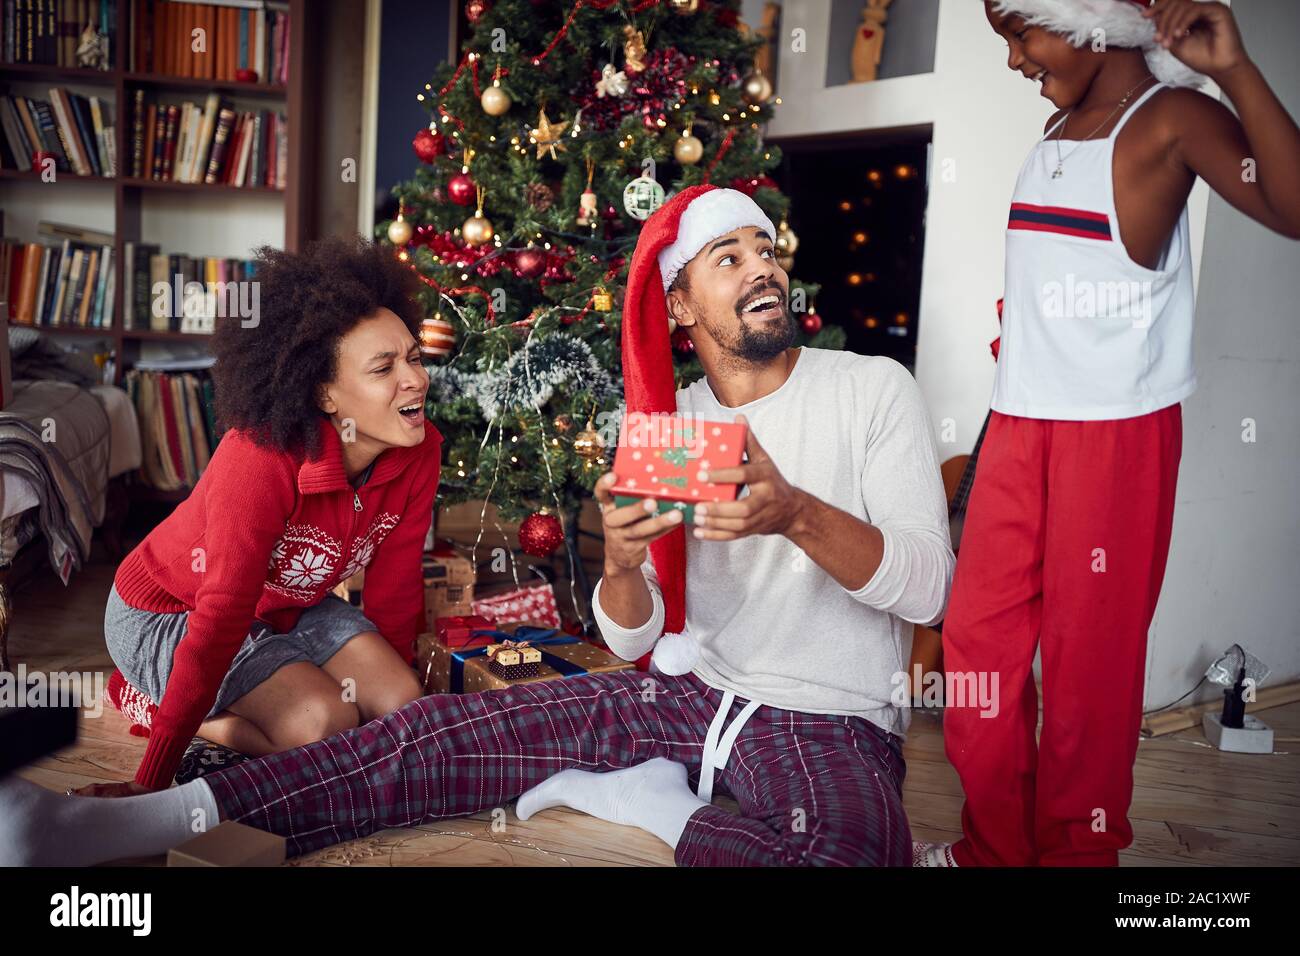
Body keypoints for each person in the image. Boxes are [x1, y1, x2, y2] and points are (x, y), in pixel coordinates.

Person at [0, 186, 953, 867]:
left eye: (765, 247)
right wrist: (623, 566)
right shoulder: (671, 424)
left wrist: (793, 512)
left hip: (826, 718)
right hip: (680, 692)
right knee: (435, 739)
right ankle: (134, 826)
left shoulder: (873, 390)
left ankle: (651, 808)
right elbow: (632, 633)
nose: (762, 266)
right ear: (679, 306)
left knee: (850, 857)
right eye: (728, 255)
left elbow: (928, 587)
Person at [918, 0, 1300, 867]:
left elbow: (1293, 204)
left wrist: (1232, 69)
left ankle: (1076, 856)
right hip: (1017, 423)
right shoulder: (1060, 121)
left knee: (1091, 672)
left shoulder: (1172, 118)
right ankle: (993, 850)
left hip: (1114, 439)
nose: (1016, 59)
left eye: (1023, 33)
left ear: (1089, 19)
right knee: (977, 642)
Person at [91, 236, 440, 795]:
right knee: (324, 725)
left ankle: (283, 686)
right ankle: (148, 696)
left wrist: (391, 696)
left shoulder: (419, 452)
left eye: (415, 357)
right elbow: (220, 617)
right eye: (384, 368)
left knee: (400, 708)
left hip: (285, 603)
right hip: (170, 610)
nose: (416, 379)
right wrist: (151, 782)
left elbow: (395, 586)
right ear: (325, 393)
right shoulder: (259, 458)